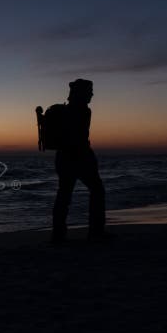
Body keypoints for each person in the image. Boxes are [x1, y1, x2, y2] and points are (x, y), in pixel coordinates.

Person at [52, 78, 108, 242]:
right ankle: (96, 232)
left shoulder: (64, 111)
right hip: (79, 156)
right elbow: (80, 137)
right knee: (97, 191)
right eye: (89, 91)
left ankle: (58, 235)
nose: (92, 94)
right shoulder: (84, 111)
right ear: (82, 93)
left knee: (64, 196)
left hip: (63, 157)